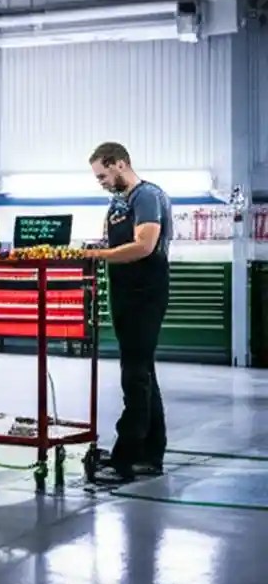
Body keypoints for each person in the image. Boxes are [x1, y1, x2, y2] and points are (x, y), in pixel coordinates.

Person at [82, 142, 172, 483]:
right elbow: (116, 244)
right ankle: (150, 455)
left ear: (120, 164)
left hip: (145, 292)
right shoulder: (119, 203)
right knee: (143, 373)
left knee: (134, 375)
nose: (101, 181)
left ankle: (126, 458)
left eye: (103, 175)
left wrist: (98, 258)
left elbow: (145, 245)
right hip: (126, 292)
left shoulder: (146, 196)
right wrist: (97, 249)